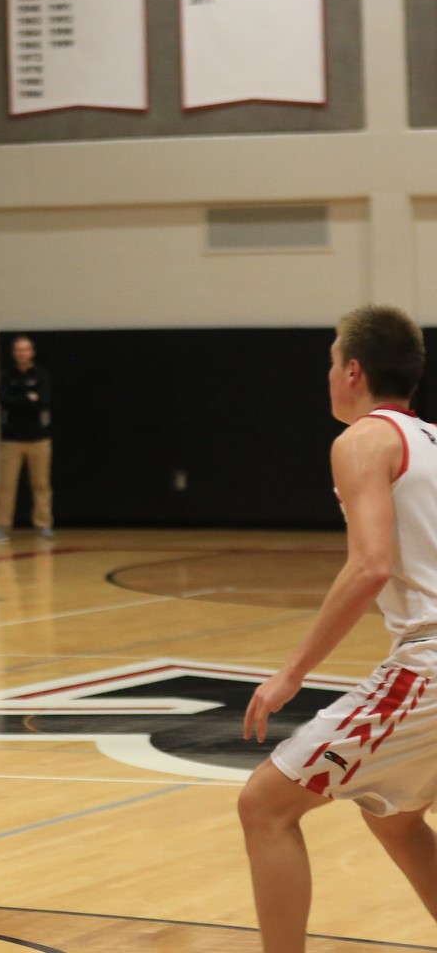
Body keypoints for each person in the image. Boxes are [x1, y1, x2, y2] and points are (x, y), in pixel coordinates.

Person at [238, 306, 437, 952]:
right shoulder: (433, 439)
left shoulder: (362, 441)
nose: (328, 376)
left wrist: (290, 673)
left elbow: (370, 567)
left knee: (264, 806)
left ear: (353, 371)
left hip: (430, 662)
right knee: (397, 816)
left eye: (331, 362)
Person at [0, 335, 54, 543]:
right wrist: (28, 396)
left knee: (41, 484)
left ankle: (44, 525)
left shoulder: (41, 374)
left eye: (25, 349)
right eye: (18, 350)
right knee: (7, 485)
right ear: (13, 353)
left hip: (39, 439)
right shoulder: (6, 375)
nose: (22, 353)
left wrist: (21, 398)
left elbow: (44, 401)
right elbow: (4, 401)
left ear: (32, 352)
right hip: (12, 439)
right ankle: (2, 526)